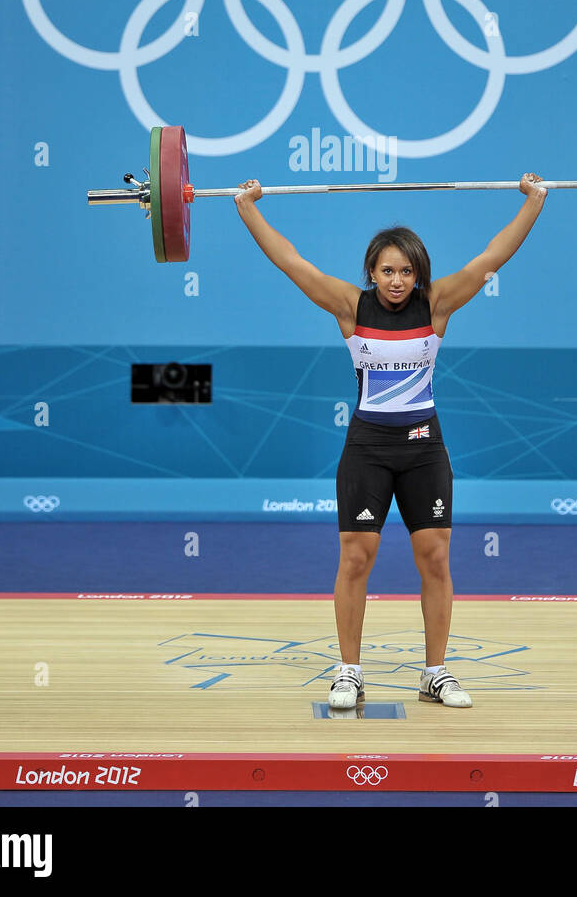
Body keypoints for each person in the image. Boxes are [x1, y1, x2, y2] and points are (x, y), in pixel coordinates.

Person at [234, 172, 547, 709]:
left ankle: (435, 672)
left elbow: (493, 255)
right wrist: (247, 209)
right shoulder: (350, 308)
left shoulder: (439, 304)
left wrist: (534, 202)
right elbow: (291, 262)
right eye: (387, 271)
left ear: (418, 273)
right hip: (368, 448)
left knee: (435, 557)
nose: (397, 281)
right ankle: (349, 672)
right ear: (371, 273)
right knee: (356, 557)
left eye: (406, 271)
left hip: (424, 447)